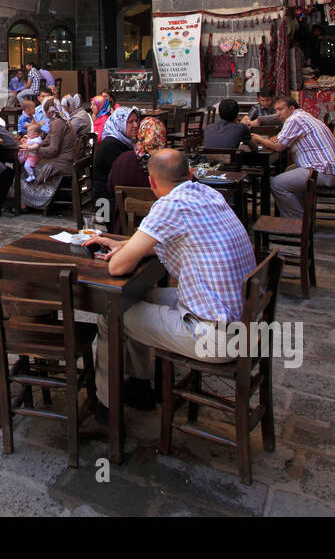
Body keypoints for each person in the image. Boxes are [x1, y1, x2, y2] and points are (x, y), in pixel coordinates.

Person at [84, 149, 254, 422]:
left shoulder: (169, 205)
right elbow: (178, 238)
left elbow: (117, 268)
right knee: (139, 296)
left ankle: (106, 406)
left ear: (151, 182)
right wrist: (125, 245)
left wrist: (125, 253)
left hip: (215, 336)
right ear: (189, 174)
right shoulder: (209, 193)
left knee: (111, 312)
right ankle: (139, 386)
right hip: (243, 323)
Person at [251, 96, 335, 218]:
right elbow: (280, 140)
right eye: (276, 110)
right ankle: (303, 216)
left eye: (280, 110)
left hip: (323, 170)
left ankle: (298, 222)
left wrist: (257, 138)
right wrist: (275, 140)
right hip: (330, 168)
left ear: (291, 108)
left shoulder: (294, 120)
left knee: (276, 183)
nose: (277, 114)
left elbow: (279, 146)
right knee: (288, 171)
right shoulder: (302, 116)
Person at [19, 99, 78, 210]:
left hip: (61, 163)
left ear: (49, 111)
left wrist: (34, 150)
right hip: (66, 159)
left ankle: (28, 203)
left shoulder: (57, 124)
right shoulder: (61, 120)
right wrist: (34, 142)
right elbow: (47, 140)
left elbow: (53, 150)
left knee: (26, 168)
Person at [107, 115, 166, 204]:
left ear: (140, 134)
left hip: (124, 216)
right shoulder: (167, 164)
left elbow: (111, 188)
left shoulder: (122, 159)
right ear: (162, 137)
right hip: (159, 216)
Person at [92, 105, 141, 205]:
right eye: (130, 122)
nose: (136, 125)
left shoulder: (126, 141)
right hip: (104, 203)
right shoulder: (110, 145)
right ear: (120, 124)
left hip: (118, 194)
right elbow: (125, 177)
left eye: (136, 121)